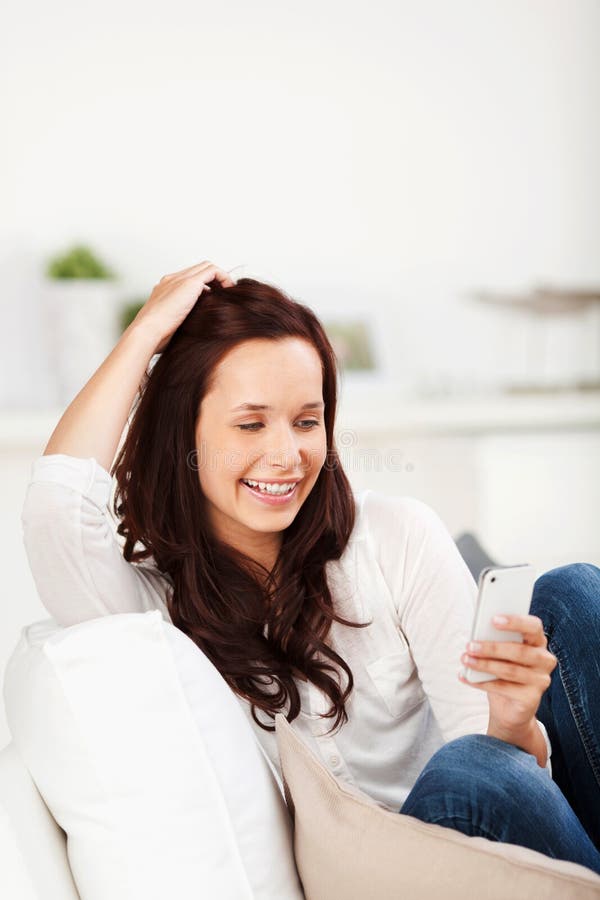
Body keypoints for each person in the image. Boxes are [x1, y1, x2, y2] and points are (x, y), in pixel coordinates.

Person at [22, 261, 600, 875]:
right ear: (183, 435)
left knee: (573, 593)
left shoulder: (395, 535)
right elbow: (56, 515)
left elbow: (497, 766)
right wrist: (143, 334)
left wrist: (513, 723)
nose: (287, 455)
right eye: (250, 424)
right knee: (469, 773)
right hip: (377, 871)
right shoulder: (149, 611)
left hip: (482, 838)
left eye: (306, 421)